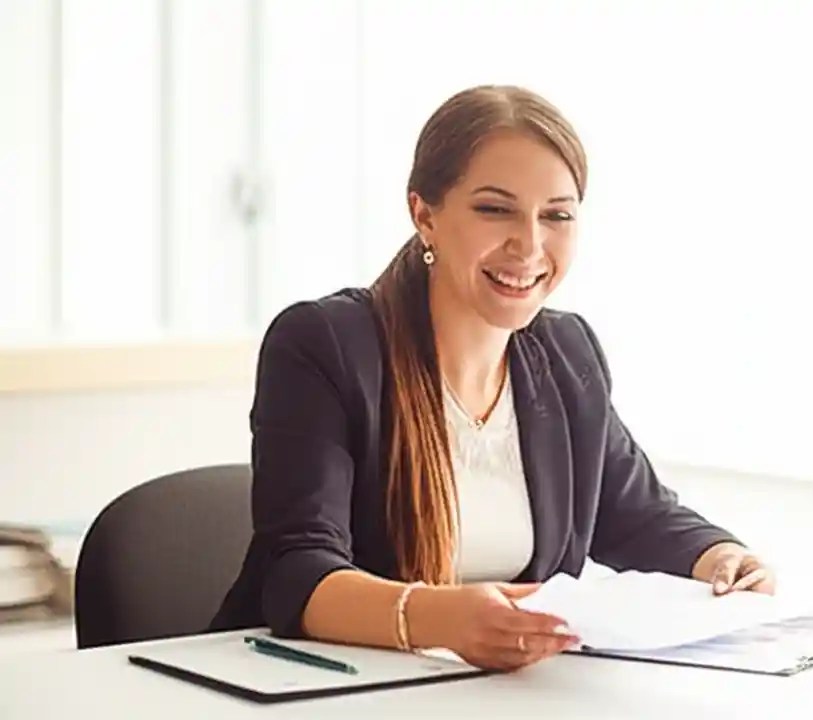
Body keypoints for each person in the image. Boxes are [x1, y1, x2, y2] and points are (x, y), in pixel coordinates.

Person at [210, 85, 775, 671]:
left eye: (556, 215)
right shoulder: (325, 344)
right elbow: (298, 571)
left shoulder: (565, 351)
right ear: (424, 214)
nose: (529, 245)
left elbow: (636, 513)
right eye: (495, 209)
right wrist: (440, 617)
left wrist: (722, 557)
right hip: (312, 688)